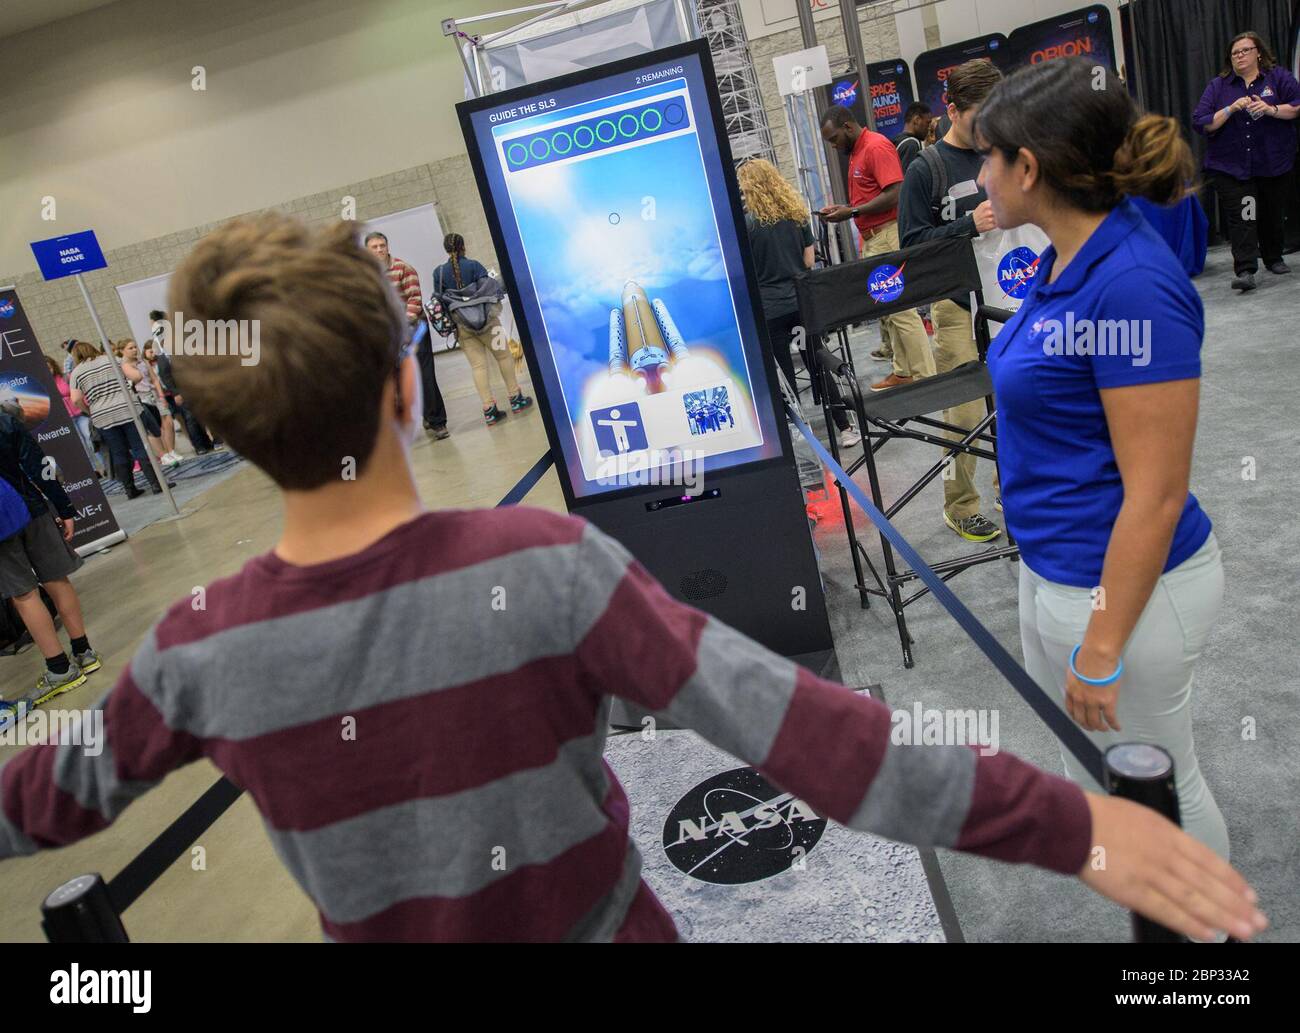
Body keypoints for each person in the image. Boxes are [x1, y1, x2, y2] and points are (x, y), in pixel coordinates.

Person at [0, 212, 1268, 944]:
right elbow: (817, 738)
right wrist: (1076, 823)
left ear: (219, 426)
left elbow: (42, 802)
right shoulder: (538, 565)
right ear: (402, 384)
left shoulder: (194, 642)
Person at [977, 58, 1231, 859]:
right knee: (1097, 782)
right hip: (1058, 568)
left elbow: (1156, 496)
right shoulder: (1062, 258)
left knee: (1155, 792)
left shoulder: (1130, 286)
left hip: (1126, 594)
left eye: (988, 155)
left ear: (1029, 167)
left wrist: (1101, 642)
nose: (977, 172)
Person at [899, 60, 1003, 544]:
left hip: (1011, 299)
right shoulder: (927, 168)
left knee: (1015, 404)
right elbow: (911, 245)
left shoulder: (1003, 150)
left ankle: (1015, 490)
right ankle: (959, 504)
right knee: (962, 415)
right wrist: (967, 225)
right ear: (952, 109)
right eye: (978, 116)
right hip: (957, 306)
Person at [736, 158, 860, 449]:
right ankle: (845, 428)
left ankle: (800, 431)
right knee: (817, 361)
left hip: (770, 309)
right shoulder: (797, 215)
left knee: (783, 373)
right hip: (801, 304)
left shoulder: (746, 225)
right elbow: (808, 261)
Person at [818, 106, 936, 392]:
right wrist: (848, 210)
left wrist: (853, 211)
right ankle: (904, 371)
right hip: (874, 238)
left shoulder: (876, 146)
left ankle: (927, 378)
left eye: (834, 138)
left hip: (888, 235)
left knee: (903, 312)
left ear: (848, 126)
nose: (833, 146)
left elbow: (895, 193)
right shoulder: (859, 151)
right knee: (890, 310)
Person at [0, 408, 101, 714]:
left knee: (23, 593)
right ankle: (84, 651)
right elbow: (38, 464)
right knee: (57, 577)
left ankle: (59, 669)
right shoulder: (5, 418)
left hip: (3, 526)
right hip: (33, 508)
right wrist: (64, 506)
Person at [1193, 31, 1300, 292]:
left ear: (1258, 53)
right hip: (1231, 167)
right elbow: (1202, 122)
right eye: (1235, 53)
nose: (1239, 56)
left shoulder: (1278, 78)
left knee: (1271, 213)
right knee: (1244, 216)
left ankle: (1273, 257)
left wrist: (1270, 109)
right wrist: (1231, 109)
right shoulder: (1219, 86)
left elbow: (1297, 106)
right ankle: (1245, 269)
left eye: (1245, 50)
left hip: (1272, 161)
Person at [434, 233, 533, 427]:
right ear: (464, 246)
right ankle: (516, 398)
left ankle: (489, 410)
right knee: (503, 357)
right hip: (490, 325)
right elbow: (491, 291)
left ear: (446, 249)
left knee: (478, 367)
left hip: (463, 329)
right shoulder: (475, 266)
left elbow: (439, 300)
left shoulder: (439, 273)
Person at [364, 232, 449, 438]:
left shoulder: (404, 268)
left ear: (387, 247)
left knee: (424, 375)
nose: (378, 250)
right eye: (374, 247)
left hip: (413, 330)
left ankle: (437, 422)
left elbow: (414, 300)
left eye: (382, 245)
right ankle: (410, 423)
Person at [67, 341, 169, 499]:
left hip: (102, 416)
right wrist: (126, 386)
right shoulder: (112, 359)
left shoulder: (76, 372)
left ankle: (130, 490)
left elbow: (76, 399)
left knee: (118, 452)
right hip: (128, 408)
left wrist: (90, 410)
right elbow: (137, 376)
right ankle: (156, 484)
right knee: (140, 447)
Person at [148, 309, 214, 455]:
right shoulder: (162, 346)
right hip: (180, 387)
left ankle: (208, 441)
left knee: (200, 415)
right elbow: (165, 372)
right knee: (190, 416)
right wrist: (176, 392)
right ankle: (200, 445)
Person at [119, 339, 181, 467]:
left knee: (168, 421)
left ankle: (171, 451)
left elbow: (154, 379)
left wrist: (161, 396)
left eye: (135, 347)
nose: (134, 350)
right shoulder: (123, 365)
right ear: (122, 351)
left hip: (154, 394)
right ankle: (163, 455)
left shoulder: (143, 361)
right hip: (141, 397)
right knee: (152, 427)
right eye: (130, 348)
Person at [44, 354, 104, 477]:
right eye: (46, 369)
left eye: (50, 367)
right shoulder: (44, 385)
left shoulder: (65, 378)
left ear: (54, 366)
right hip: (65, 419)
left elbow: (79, 392)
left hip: (79, 413)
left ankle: (105, 466)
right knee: (80, 444)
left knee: (91, 438)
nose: (49, 371)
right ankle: (92, 470)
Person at [895, 102, 933, 173]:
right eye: (927, 123)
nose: (929, 128)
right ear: (917, 120)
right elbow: (909, 179)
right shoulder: (911, 144)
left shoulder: (899, 140)